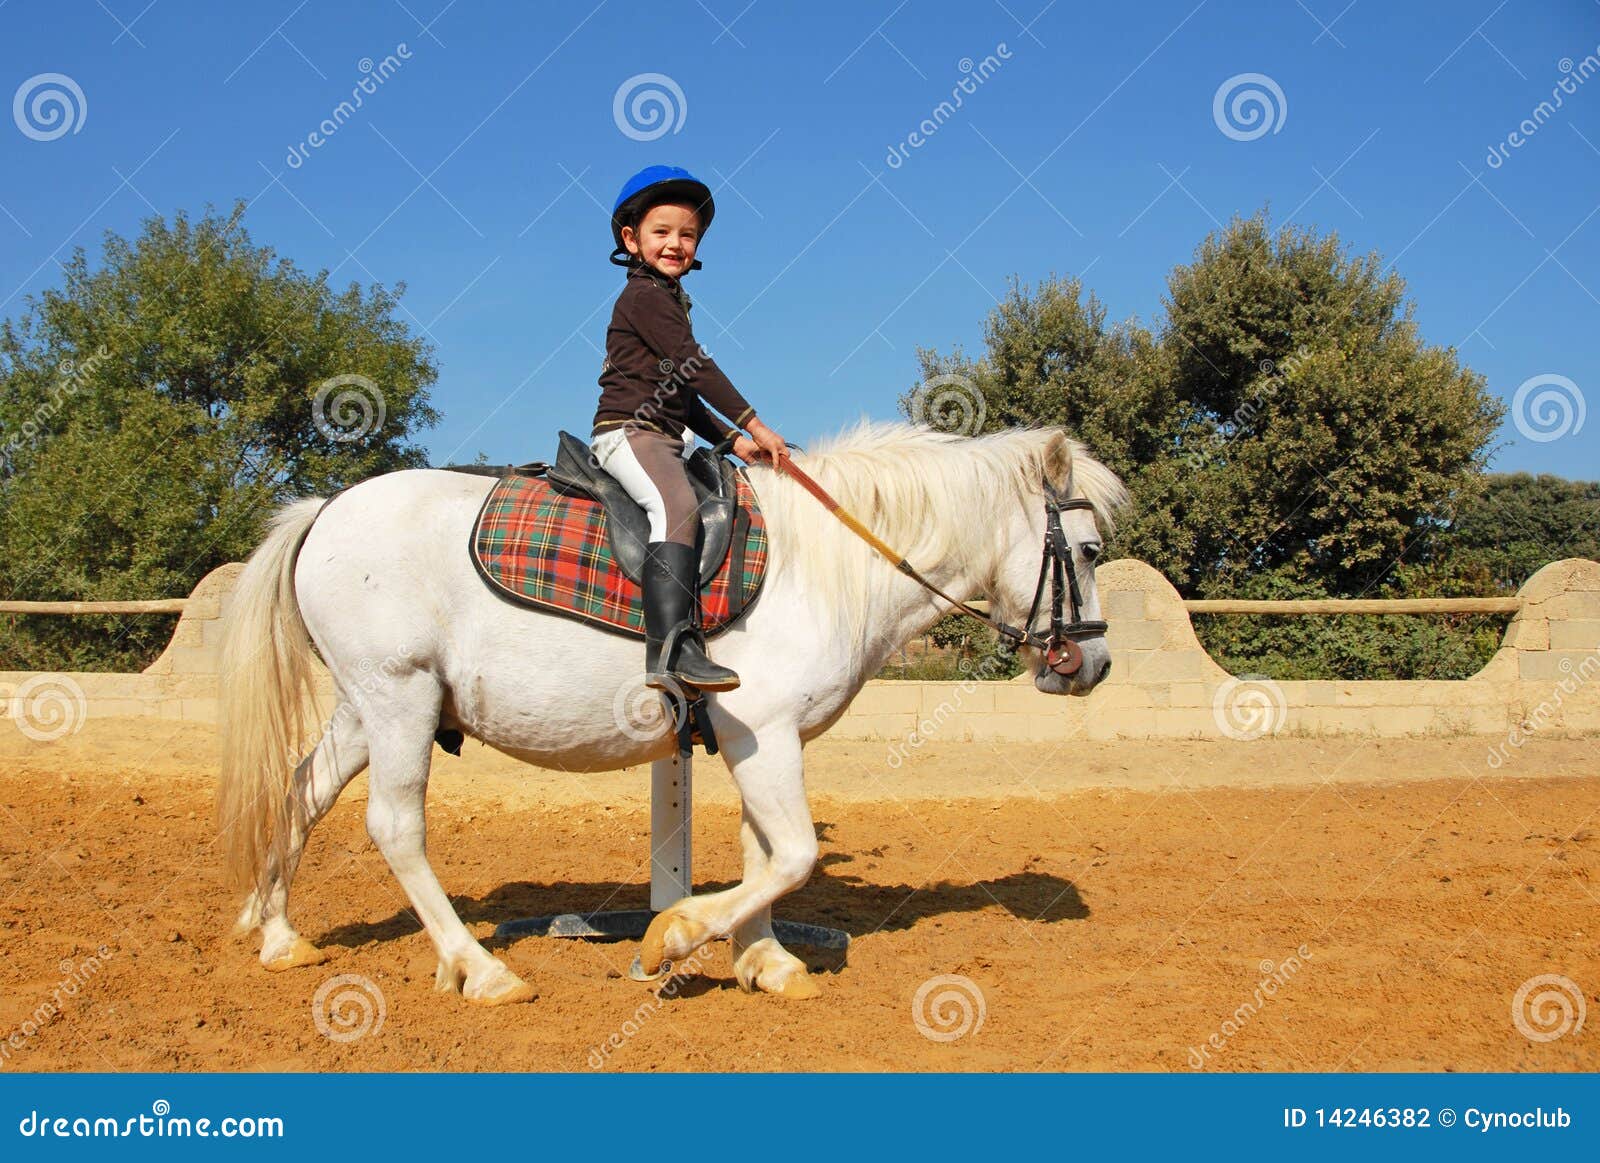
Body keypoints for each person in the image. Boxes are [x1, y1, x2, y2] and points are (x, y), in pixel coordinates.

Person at [591, 165, 789, 693]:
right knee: (676, 507)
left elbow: (681, 393)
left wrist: (735, 442)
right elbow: (693, 364)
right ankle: (673, 650)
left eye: (687, 234)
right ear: (631, 239)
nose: (676, 244)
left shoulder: (669, 298)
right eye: (662, 232)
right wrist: (753, 420)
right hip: (629, 432)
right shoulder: (643, 296)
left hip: (662, 431)